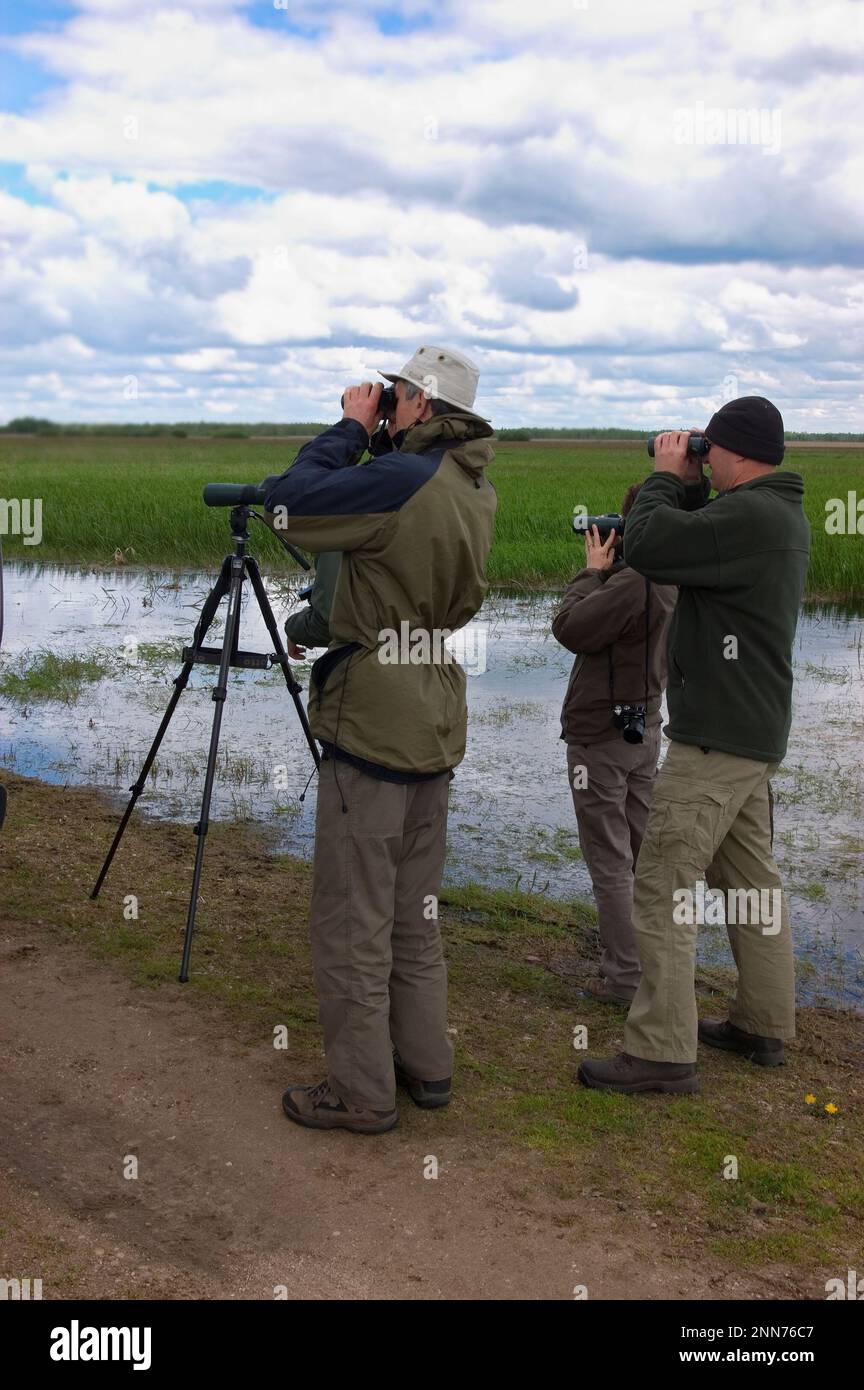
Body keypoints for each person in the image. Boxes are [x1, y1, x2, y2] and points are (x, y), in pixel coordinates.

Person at [263, 346, 497, 1133]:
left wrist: (346, 427)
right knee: (413, 911)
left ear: (422, 406)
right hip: (433, 711)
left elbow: (289, 507)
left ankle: (361, 1092)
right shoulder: (473, 484)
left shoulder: (404, 477)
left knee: (350, 918)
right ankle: (425, 1065)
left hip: (374, 722)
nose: (386, 404)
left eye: (394, 395)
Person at [579, 396, 810, 1095]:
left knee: (663, 881)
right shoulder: (774, 513)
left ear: (734, 451)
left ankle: (661, 1049)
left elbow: (649, 546)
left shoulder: (748, 515)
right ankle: (764, 1023)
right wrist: (689, 481)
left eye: (712, 450)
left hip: (715, 738)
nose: (702, 459)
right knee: (748, 882)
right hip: (752, 732)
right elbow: (692, 539)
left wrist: (662, 474)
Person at [552, 483, 677, 1005]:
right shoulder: (676, 574)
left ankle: (626, 981)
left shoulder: (632, 582)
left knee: (610, 861)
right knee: (642, 857)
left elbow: (570, 628)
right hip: (644, 726)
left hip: (602, 735)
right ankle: (655, 967)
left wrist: (592, 571)